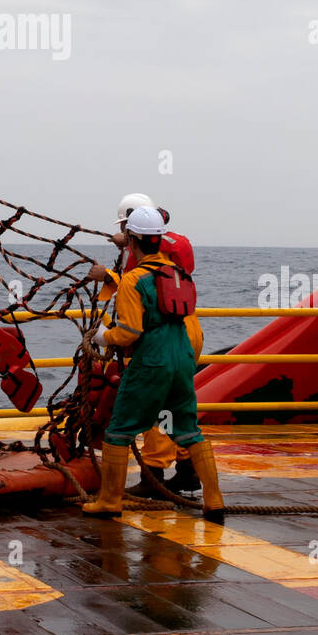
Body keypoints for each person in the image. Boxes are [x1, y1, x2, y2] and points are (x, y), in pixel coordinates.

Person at [82, 206, 225, 523]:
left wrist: (102, 338)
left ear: (131, 239)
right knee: (189, 430)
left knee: (118, 432)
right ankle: (214, 501)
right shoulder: (178, 273)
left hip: (152, 360)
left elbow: (130, 331)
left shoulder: (133, 280)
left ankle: (109, 501)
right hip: (183, 355)